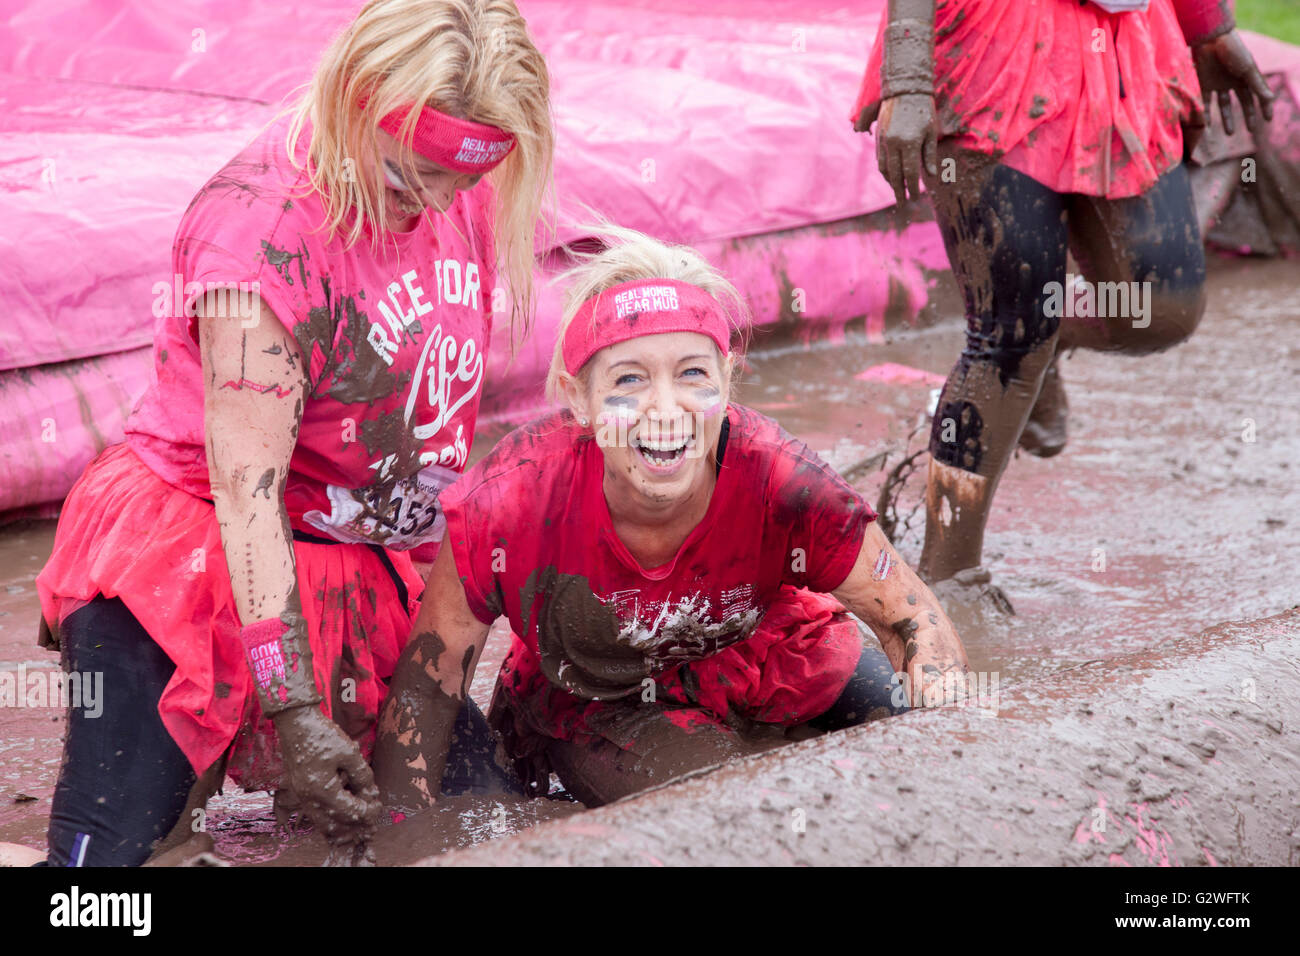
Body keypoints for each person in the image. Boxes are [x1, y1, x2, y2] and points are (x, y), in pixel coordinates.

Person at [34, 0, 553, 866]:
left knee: (472, 830)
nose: (436, 204)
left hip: (350, 557)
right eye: (407, 178)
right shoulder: (260, 233)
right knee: (101, 873)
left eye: (461, 182)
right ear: (357, 102)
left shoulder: (452, 177)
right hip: (194, 554)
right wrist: (297, 711)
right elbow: (248, 492)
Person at [372, 227, 970, 811]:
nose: (665, 411)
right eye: (628, 380)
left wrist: (952, 762)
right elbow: (428, 687)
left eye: (692, 374)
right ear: (577, 398)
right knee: (725, 805)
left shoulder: (783, 479)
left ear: (727, 379)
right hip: (606, 699)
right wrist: (406, 837)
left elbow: (910, 620)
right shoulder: (508, 504)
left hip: (770, 653)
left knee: (900, 736)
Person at [852, 0, 1275, 596]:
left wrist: (1210, 26)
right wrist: (908, 76)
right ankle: (948, 582)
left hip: (1126, 43)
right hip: (994, 44)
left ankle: (1045, 335)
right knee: (1008, 331)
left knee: (1165, 305)